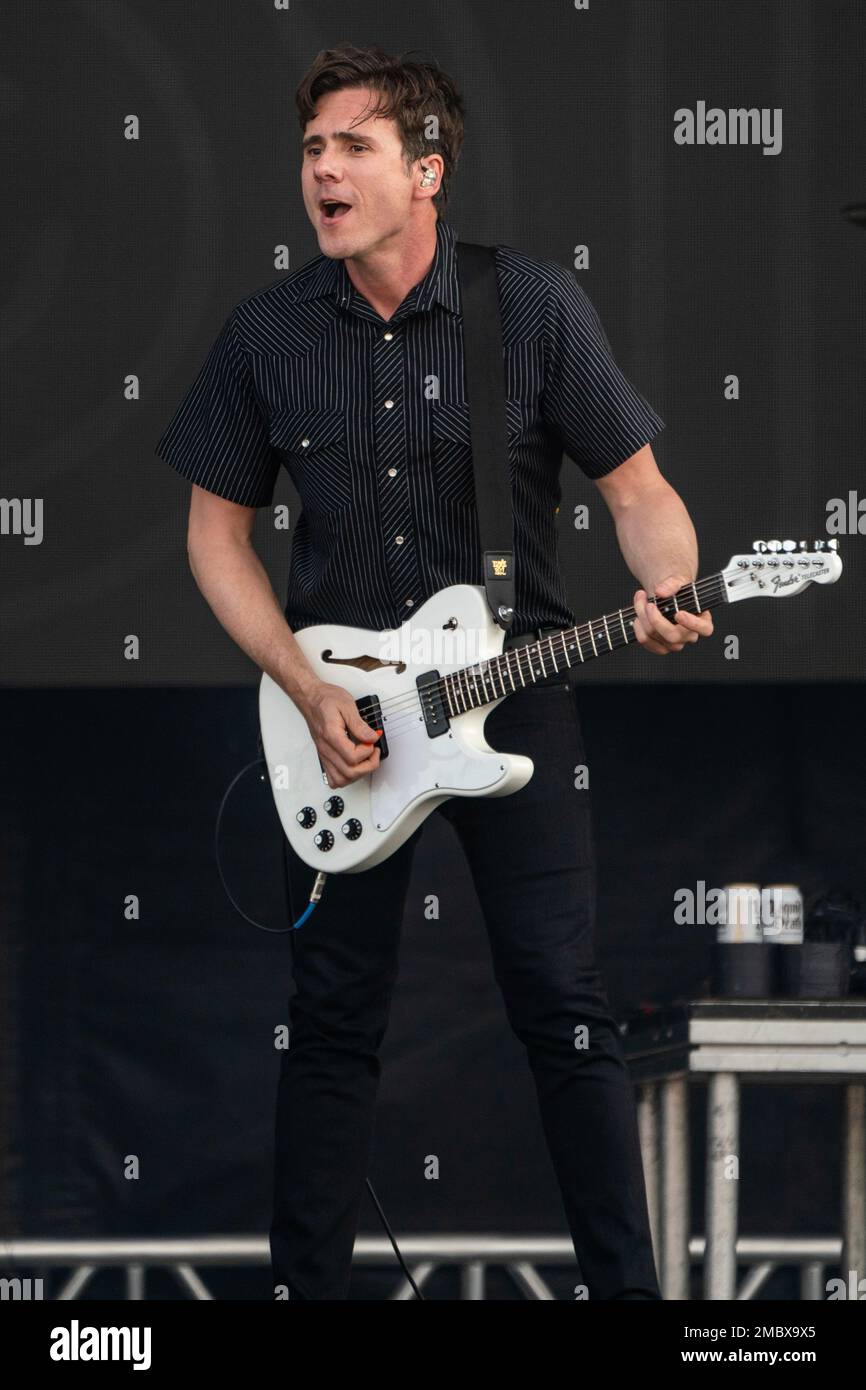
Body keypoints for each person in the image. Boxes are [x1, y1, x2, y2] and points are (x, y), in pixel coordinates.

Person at [156, 43, 713, 1300]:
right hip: (341, 715)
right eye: (311, 149)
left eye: (352, 147)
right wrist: (307, 691)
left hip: (514, 689)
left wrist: (669, 586)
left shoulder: (529, 305)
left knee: (563, 1008)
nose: (323, 171)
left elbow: (638, 493)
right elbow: (212, 535)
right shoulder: (266, 331)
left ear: (425, 171)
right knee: (333, 1019)